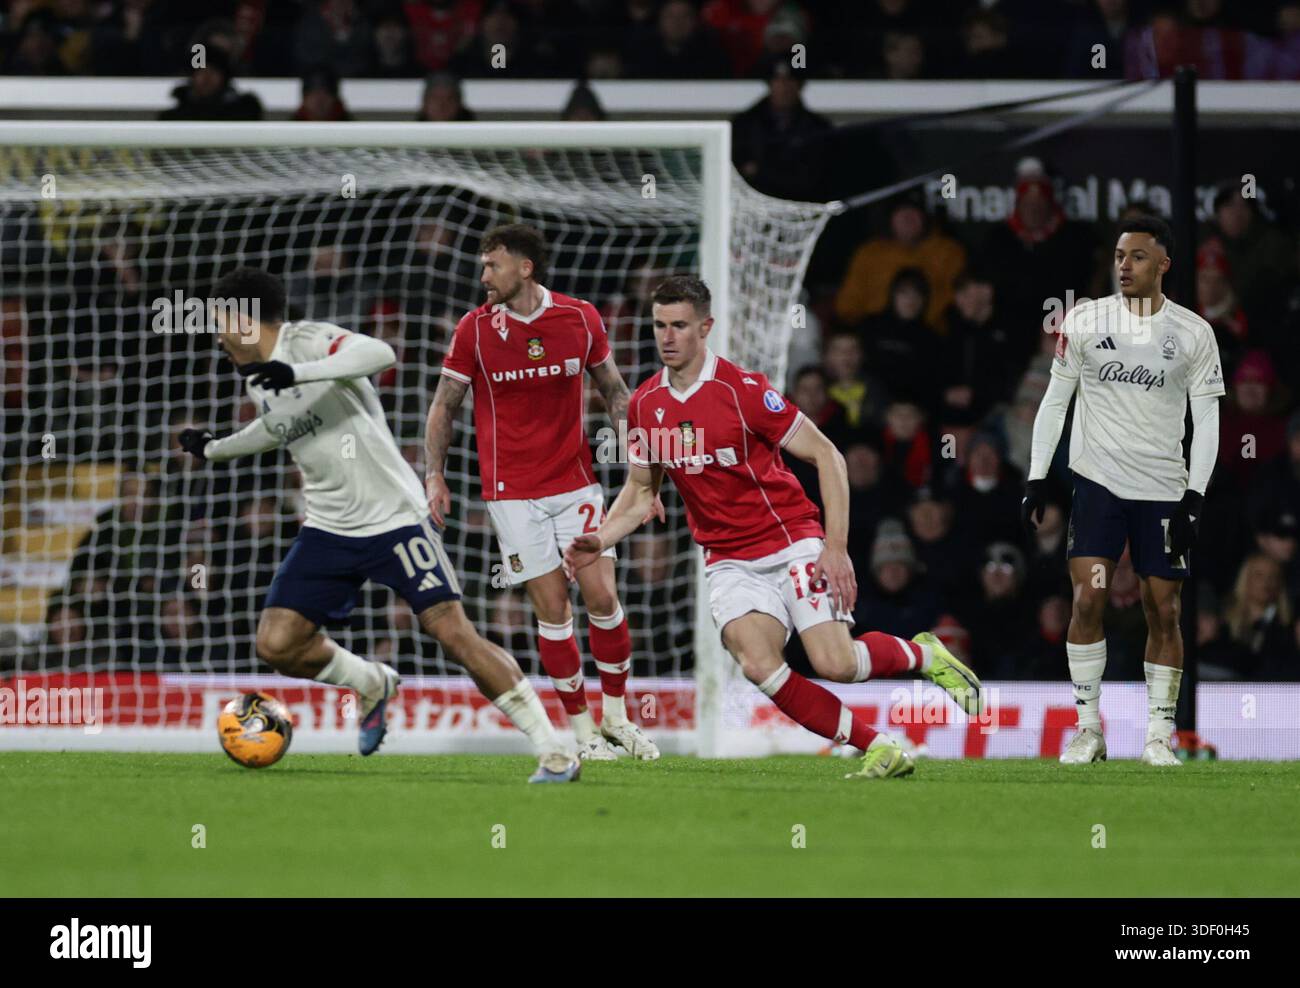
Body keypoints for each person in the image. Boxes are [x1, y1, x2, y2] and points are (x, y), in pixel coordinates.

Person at [564, 275, 983, 781]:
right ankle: (878, 748)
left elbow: (828, 456)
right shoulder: (645, 405)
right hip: (727, 559)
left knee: (835, 664)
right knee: (759, 665)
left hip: (791, 540)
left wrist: (836, 547)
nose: (667, 337)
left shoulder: (743, 391)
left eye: (679, 325)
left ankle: (923, 653)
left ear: (706, 327)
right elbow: (642, 492)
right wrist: (600, 538)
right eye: (659, 325)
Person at [177, 267, 580, 783]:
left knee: (453, 634)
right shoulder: (262, 379)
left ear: (241, 319)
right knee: (276, 645)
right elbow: (280, 427)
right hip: (328, 527)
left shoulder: (310, 340)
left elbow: (378, 354)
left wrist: (299, 373)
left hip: (395, 519)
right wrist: (215, 448)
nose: (217, 338)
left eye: (219, 323)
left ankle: (554, 749)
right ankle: (371, 682)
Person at [425, 225, 661, 762]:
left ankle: (618, 719)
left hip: (575, 482)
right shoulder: (474, 330)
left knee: (603, 597)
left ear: (525, 268)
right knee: (553, 611)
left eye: (493, 266)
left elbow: (616, 392)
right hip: (510, 495)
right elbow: (444, 405)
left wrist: (646, 477)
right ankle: (583, 735)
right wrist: (433, 474)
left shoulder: (580, 318)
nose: (483, 276)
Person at [1022, 214, 1225, 767]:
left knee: (1164, 608)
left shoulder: (1192, 334)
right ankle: (1088, 731)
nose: (1124, 266)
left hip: (1163, 489)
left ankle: (1159, 735)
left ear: (1164, 264)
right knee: (1088, 597)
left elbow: (1207, 420)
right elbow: (1055, 402)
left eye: (1137, 257)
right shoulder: (1085, 321)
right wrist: (1038, 474)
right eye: (1118, 256)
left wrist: (1196, 495)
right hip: (1099, 488)